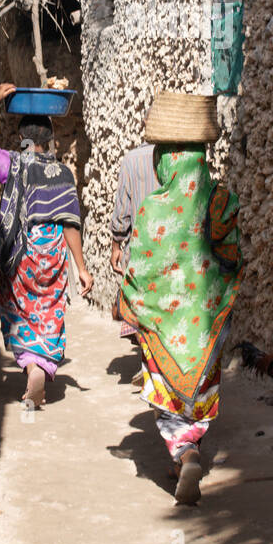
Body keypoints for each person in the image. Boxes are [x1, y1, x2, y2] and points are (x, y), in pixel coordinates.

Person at [117, 92, 242, 505]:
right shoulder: (221, 201)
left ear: (165, 160)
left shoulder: (153, 209)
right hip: (204, 326)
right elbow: (231, 258)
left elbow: (137, 270)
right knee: (199, 392)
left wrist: (133, 304)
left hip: (163, 325)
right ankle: (192, 451)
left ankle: (184, 453)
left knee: (169, 397)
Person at [0, 83, 93, 409]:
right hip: (52, 255)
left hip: (21, 256)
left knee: (21, 311)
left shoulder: (11, 165)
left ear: (23, 140)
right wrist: (82, 268)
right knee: (47, 312)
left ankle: (31, 367)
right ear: (50, 140)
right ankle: (40, 368)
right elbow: (69, 222)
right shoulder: (62, 172)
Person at [110, 142, 159, 386]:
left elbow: (123, 208)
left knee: (143, 309)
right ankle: (154, 366)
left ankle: (148, 364)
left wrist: (116, 243)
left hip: (141, 252)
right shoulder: (186, 156)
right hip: (176, 251)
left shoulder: (133, 159)